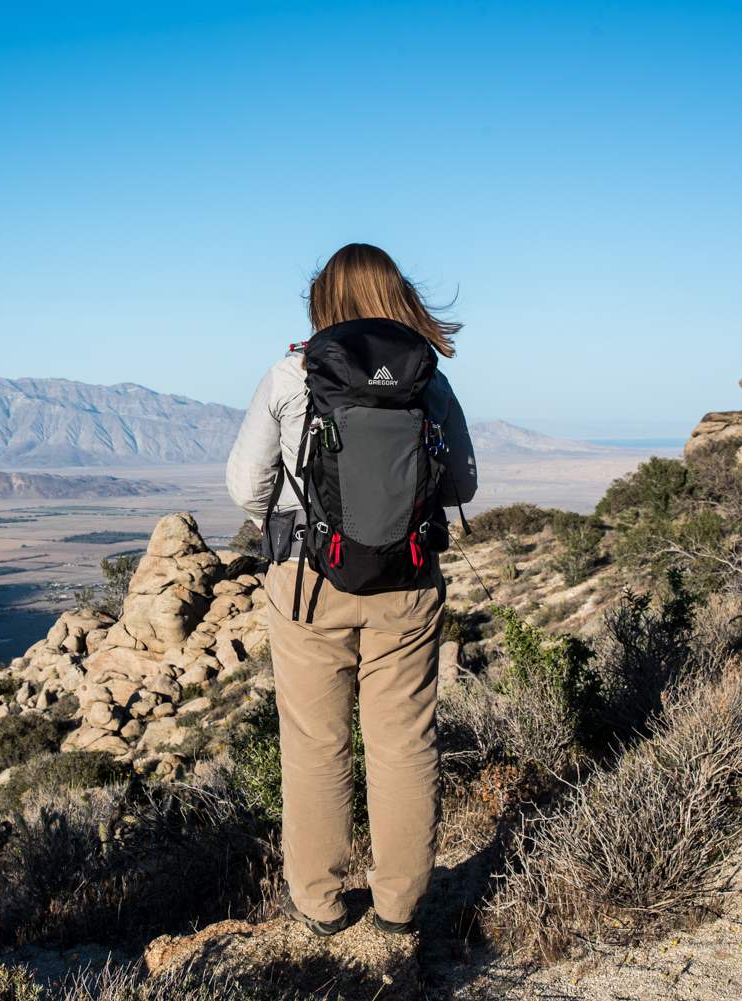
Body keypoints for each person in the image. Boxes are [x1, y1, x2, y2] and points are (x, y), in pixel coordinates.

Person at [226, 243, 477, 935]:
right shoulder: (427, 377)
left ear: (323, 302)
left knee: (316, 742)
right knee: (403, 740)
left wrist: (292, 522)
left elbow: (247, 486)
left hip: (310, 581)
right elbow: (461, 485)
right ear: (398, 296)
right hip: (408, 580)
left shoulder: (291, 372)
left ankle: (321, 903)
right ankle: (399, 907)